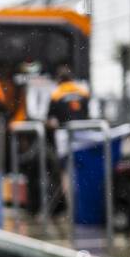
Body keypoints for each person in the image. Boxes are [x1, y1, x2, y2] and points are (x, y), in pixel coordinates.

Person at [46, 65, 91, 213]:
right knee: (83, 169)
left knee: (65, 172)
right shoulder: (83, 92)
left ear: (59, 80)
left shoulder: (56, 94)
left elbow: (51, 120)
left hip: (64, 135)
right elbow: (88, 113)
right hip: (83, 134)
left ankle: (71, 207)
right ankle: (83, 204)